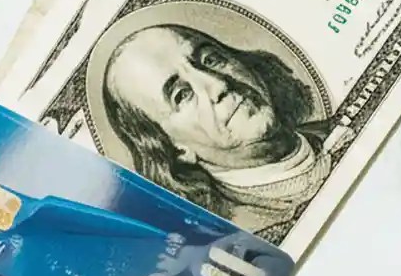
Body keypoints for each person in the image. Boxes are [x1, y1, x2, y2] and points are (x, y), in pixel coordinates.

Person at [100, 23, 330, 242]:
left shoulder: (339, 130)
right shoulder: (246, 239)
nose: (219, 85)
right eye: (181, 95)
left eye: (210, 60)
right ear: (175, 149)